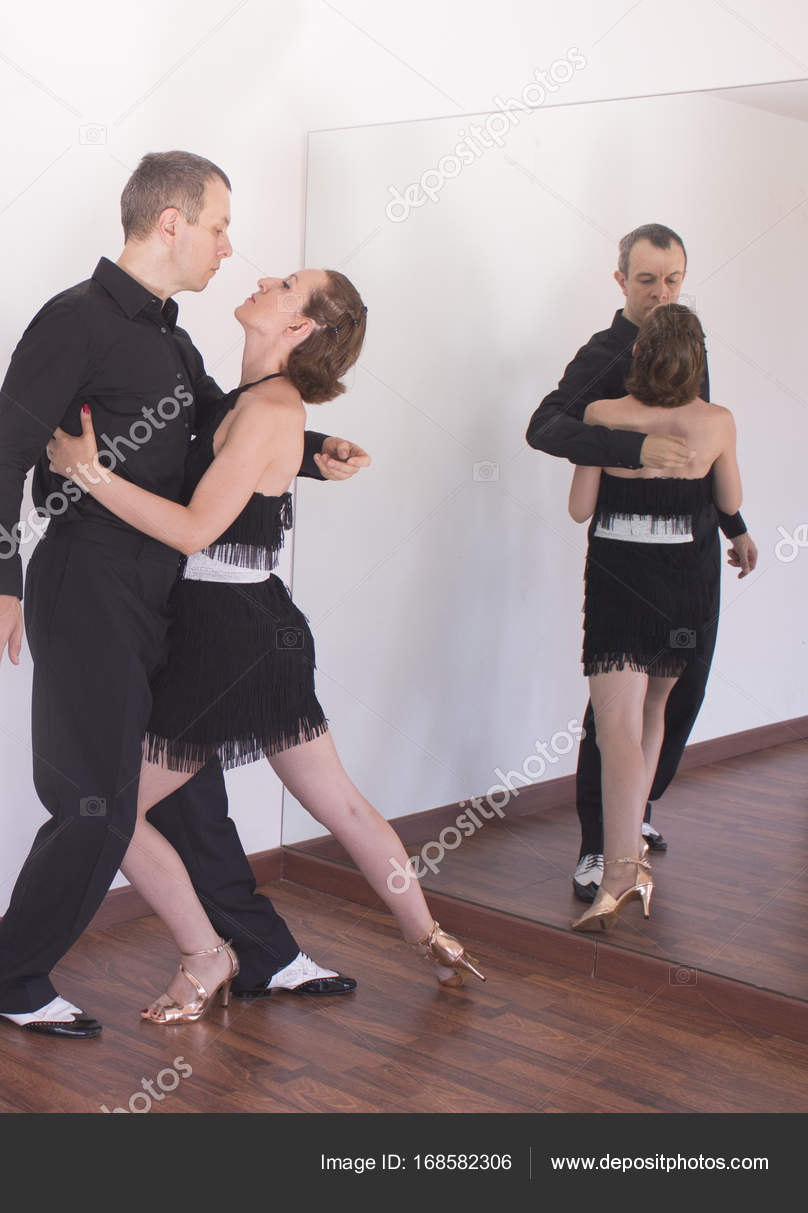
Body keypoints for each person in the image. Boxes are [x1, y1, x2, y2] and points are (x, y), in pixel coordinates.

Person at [0, 152, 369, 1038]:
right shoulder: (73, 322)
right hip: (91, 586)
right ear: (172, 222)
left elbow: (223, 435)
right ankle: (13, 979)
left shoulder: (173, 335)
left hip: (167, 595)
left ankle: (258, 956)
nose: (230, 245)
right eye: (220, 225)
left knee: (195, 797)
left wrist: (310, 448)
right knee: (97, 802)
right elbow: (2, 453)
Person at [46, 267, 485, 1023]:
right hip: (257, 625)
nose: (260, 277)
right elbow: (238, 453)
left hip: (227, 638)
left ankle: (205, 954)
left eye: (283, 285)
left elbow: (191, 530)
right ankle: (432, 937)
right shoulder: (256, 402)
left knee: (105, 809)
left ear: (298, 327)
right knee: (339, 800)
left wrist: (87, 473)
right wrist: (315, 452)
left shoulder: (270, 408)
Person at [526, 224, 757, 903]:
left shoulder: (685, 338)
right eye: (648, 279)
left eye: (673, 279)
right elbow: (543, 427)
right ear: (620, 278)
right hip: (625, 560)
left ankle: (635, 814)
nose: (661, 292)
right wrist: (630, 450)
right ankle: (600, 846)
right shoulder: (602, 357)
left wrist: (737, 527)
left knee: (680, 693)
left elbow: (706, 449)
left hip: (694, 554)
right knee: (617, 711)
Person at [565, 303, 743, 931]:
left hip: (619, 580)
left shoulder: (603, 415)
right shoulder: (717, 421)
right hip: (684, 584)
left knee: (613, 729)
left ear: (638, 355)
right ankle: (631, 856)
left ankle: (617, 872)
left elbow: (580, 509)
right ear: (697, 359)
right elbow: (729, 501)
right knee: (651, 715)